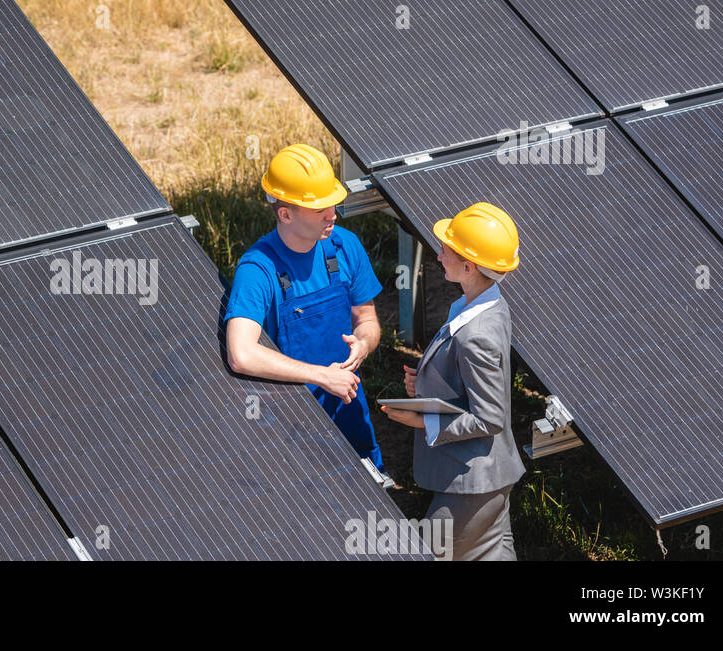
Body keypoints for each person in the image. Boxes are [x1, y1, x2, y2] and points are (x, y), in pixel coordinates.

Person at [224, 144, 388, 484]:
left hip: (347, 405)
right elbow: (241, 354)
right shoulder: (258, 270)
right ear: (285, 214)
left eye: (332, 203)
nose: (333, 214)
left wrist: (364, 343)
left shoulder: (345, 246)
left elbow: (367, 319)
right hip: (287, 424)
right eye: (319, 209)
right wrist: (321, 376)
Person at [381, 201, 525, 561]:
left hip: (472, 485)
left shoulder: (475, 333)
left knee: (422, 553)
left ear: (469, 265)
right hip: (490, 476)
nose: (439, 253)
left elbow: (490, 416)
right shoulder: (486, 306)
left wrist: (422, 419)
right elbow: (473, 382)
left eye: (448, 248)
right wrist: (427, 386)